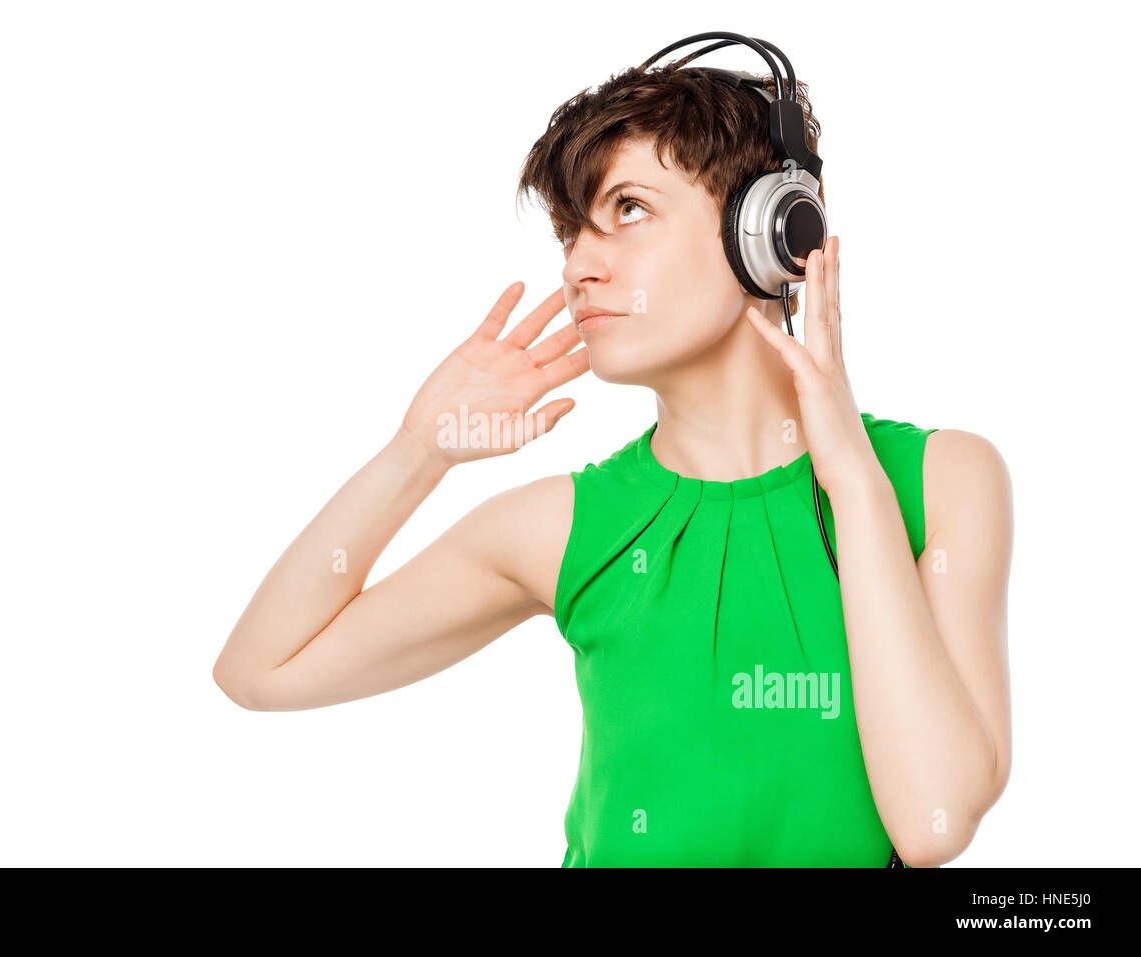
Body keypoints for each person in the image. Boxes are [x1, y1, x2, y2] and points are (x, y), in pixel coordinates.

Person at [211, 62, 1013, 868]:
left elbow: (933, 824)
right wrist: (419, 451)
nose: (578, 268)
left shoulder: (942, 481)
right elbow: (260, 671)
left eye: (628, 210)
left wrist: (853, 484)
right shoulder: (563, 526)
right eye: (571, 232)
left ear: (773, 229)